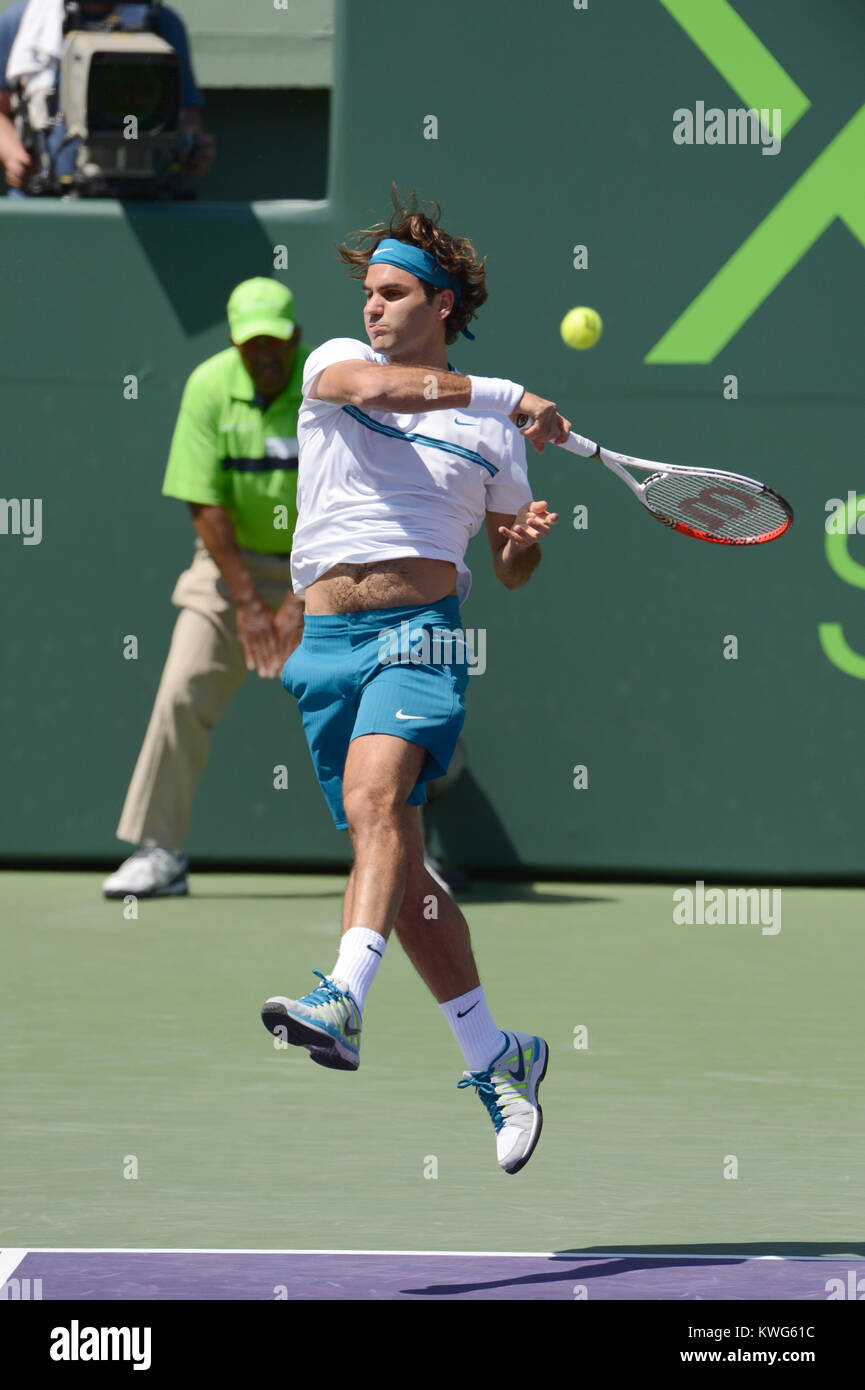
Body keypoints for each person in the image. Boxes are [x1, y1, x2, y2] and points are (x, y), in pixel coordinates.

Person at [260, 194, 567, 1174]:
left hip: (422, 638)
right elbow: (388, 392)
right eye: (368, 294)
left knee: (375, 800)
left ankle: (341, 1000)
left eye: (393, 295)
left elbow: (510, 572)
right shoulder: (332, 369)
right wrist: (507, 389)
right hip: (324, 646)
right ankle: (495, 1054)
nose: (374, 309)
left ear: (439, 303)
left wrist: (518, 546)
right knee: (399, 876)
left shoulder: (494, 441)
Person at [102, 278, 307, 899]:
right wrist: (248, 603)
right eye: (253, 344)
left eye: (277, 342)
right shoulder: (208, 385)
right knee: (182, 691)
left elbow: (349, 499)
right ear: (234, 344)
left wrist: (302, 595)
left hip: (323, 564)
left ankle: (410, 854)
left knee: (374, 706)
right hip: (230, 566)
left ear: (297, 338)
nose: (266, 354)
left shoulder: (329, 386)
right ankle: (160, 852)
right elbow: (204, 499)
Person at [0, 0, 214, 195]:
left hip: (143, 201)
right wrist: (13, 154)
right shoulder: (25, 19)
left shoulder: (160, 22)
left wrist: (192, 147)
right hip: (45, 199)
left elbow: (187, 115)